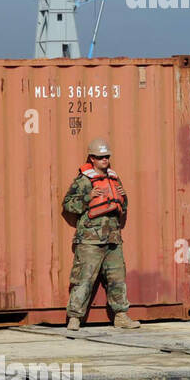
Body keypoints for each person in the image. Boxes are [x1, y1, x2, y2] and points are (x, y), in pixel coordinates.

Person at [63, 137, 140, 330]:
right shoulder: (83, 181)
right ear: (92, 158)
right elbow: (68, 204)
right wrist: (88, 198)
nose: (104, 160)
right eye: (100, 157)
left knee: (117, 278)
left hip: (113, 238)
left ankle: (121, 316)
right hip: (90, 239)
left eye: (106, 156)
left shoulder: (114, 178)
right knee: (83, 279)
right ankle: (74, 318)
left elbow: (123, 204)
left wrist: (123, 197)